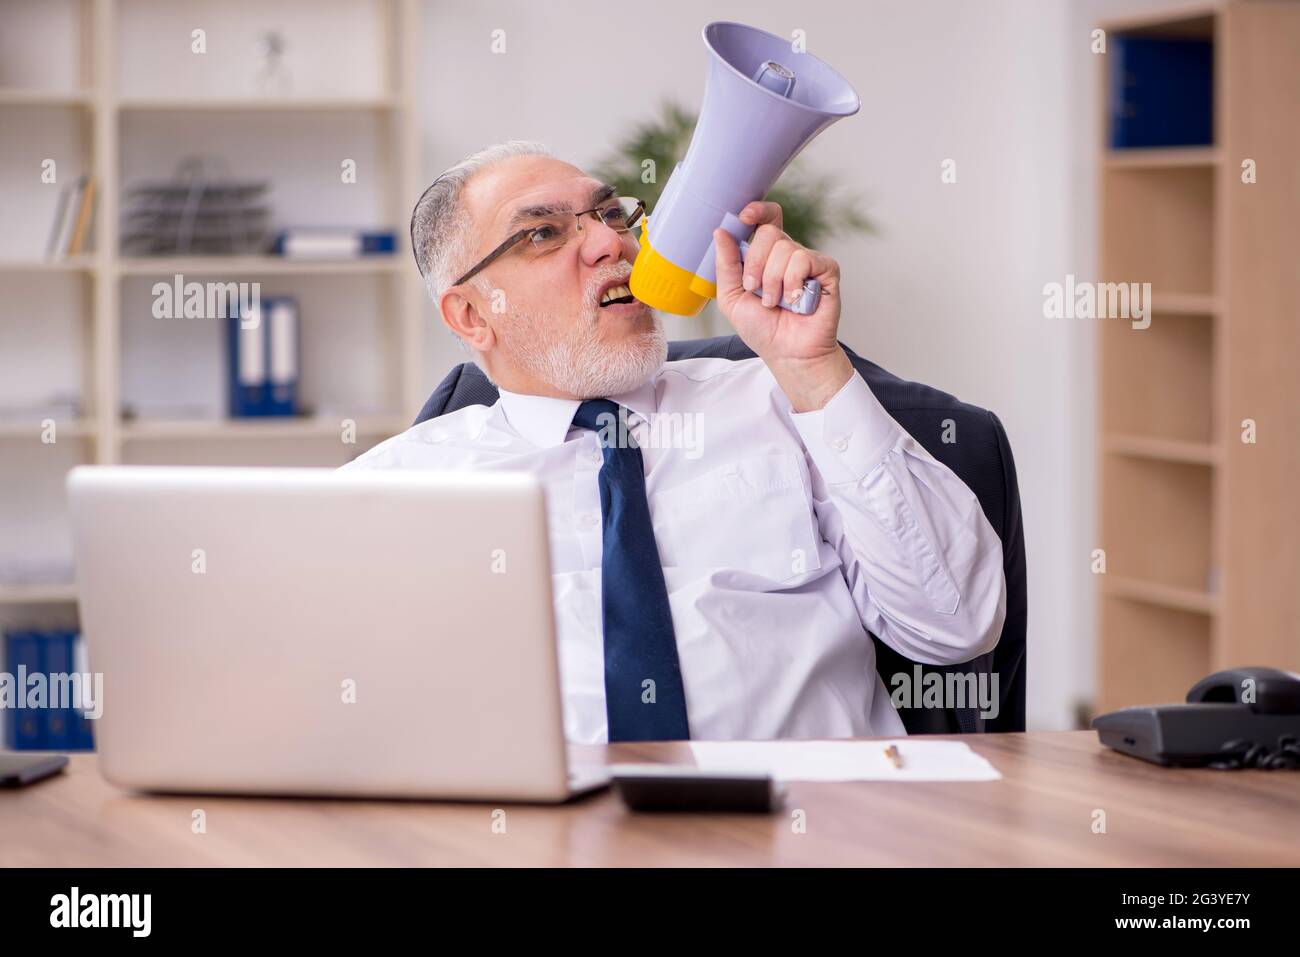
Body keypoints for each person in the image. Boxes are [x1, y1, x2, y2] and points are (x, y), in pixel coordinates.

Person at [342, 141, 1006, 743]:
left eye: (611, 215)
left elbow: (956, 624)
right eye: (543, 233)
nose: (611, 244)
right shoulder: (390, 494)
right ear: (470, 314)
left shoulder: (781, 400)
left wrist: (811, 368)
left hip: (813, 828)